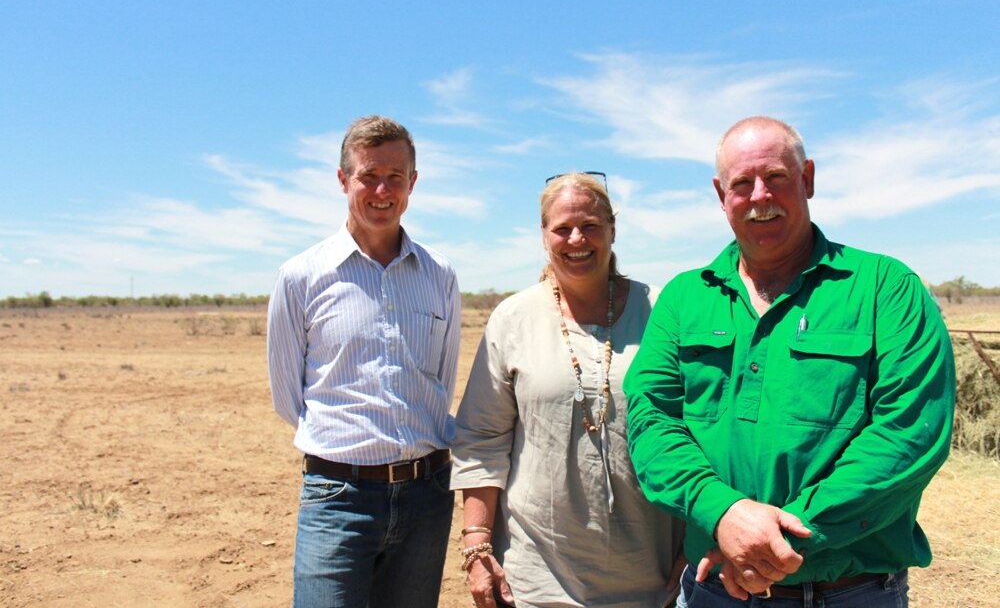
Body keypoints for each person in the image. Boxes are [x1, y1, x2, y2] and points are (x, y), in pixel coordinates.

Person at [624, 116, 955, 607]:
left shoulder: (886, 288)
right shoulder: (683, 298)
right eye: (742, 183)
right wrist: (723, 512)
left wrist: (776, 545)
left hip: (848, 593)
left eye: (776, 177)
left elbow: (910, 433)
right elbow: (650, 419)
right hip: (715, 592)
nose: (760, 196)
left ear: (808, 179)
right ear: (721, 194)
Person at [451, 172, 685, 608]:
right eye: (562, 228)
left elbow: (700, 433)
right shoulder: (513, 318)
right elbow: (482, 439)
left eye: (591, 226)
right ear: (544, 236)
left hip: (654, 577)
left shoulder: (663, 312)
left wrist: (696, 543)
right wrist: (478, 542)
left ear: (613, 230)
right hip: (538, 577)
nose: (577, 238)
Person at [267, 115, 461, 608]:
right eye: (368, 175)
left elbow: (441, 378)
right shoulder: (300, 277)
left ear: (412, 183)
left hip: (428, 496)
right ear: (342, 180)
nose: (381, 189)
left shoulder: (439, 274)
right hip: (338, 498)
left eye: (395, 177)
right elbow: (290, 397)